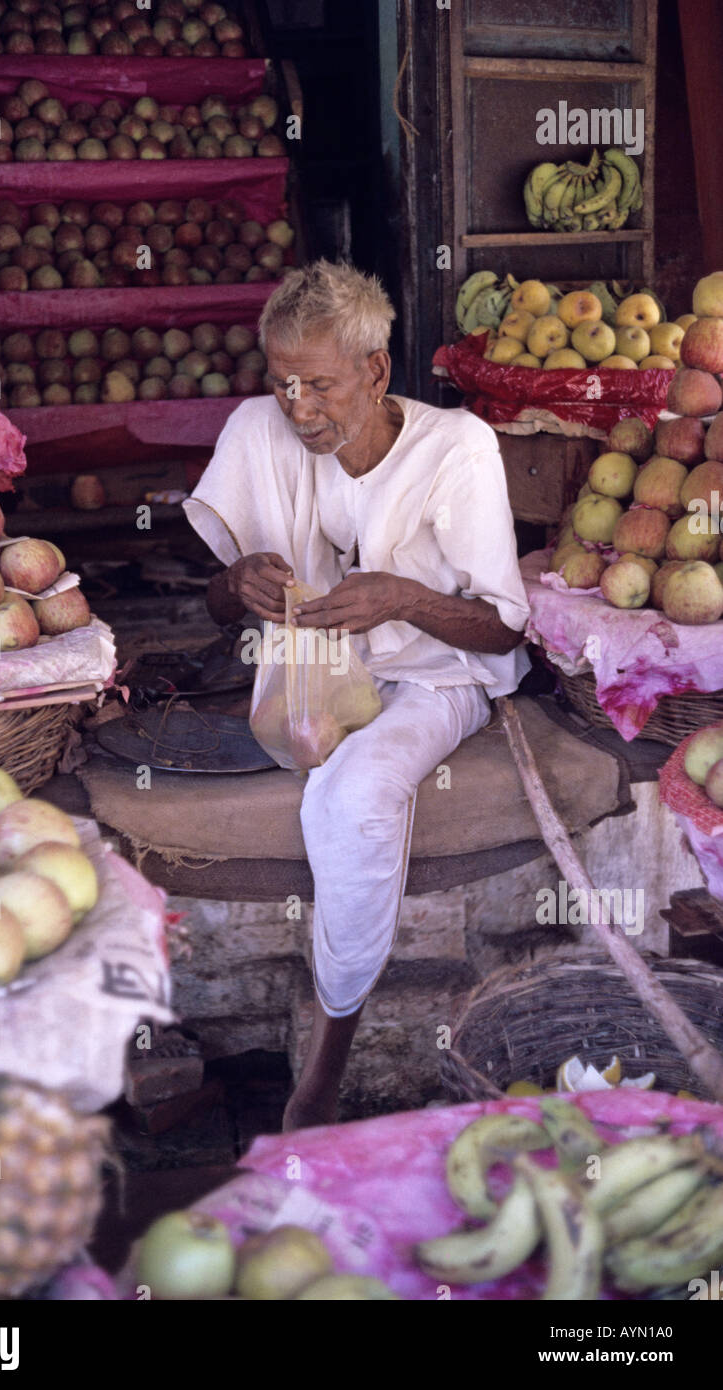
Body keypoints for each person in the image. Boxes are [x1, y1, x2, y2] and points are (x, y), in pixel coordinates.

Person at [183, 260, 530, 1131]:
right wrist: (240, 583)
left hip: (434, 677)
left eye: (321, 386)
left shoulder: (456, 449)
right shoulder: (256, 433)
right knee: (279, 752)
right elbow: (215, 604)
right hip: (313, 671)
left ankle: (327, 1063)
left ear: (376, 372)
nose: (297, 408)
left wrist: (401, 599)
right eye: (281, 381)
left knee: (354, 795)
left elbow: (503, 630)